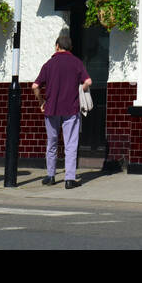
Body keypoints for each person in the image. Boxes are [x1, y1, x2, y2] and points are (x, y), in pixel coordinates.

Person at [32, 31, 92, 189]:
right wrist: (80, 90)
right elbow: (88, 81)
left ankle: (51, 176)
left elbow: (35, 86)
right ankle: (69, 179)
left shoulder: (49, 64)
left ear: (57, 46)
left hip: (51, 109)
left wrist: (41, 101)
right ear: (70, 48)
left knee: (51, 143)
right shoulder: (76, 62)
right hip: (71, 109)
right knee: (70, 144)